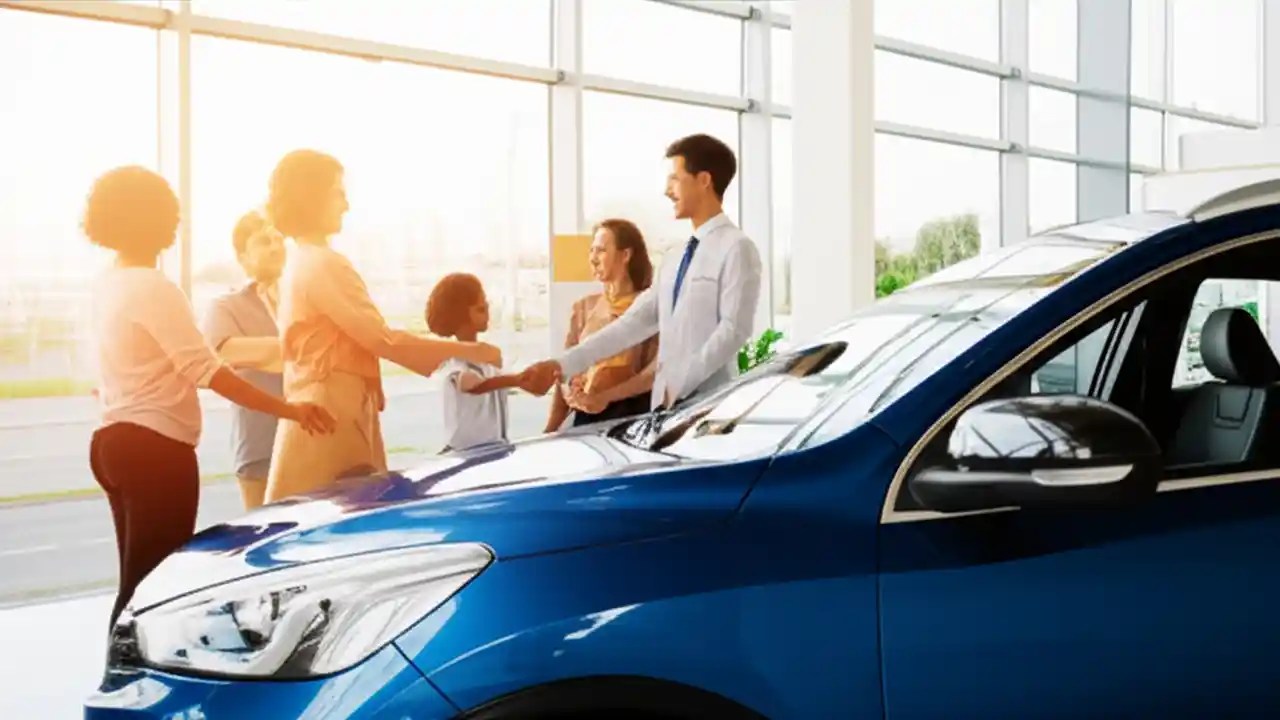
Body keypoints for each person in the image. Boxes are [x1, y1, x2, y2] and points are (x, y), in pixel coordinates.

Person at [84, 166, 335, 631]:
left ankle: (120, 673)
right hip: (154, 449)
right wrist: (291, 410)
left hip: (111, 444)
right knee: (156, 586)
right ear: (158, 219)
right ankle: (138, 680)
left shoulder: (107, 283)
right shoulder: (153, 287)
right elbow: (207, 371)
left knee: (135, 581)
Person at [265, 149, 501, 502]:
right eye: (337, 193)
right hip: (333, 412)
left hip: (328, 403)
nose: (345, 204)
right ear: (311, 198)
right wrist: (470, 350)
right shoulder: (322, 264)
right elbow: (381, 338)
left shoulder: (300, 261)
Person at [523, 133, 762, 409]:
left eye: (674, 178)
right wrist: (560, 365)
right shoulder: (675, 258)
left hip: (708, 406)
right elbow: (630, 326)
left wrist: (678, 385)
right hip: (665, 411)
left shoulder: (737, 248)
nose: (667, 190)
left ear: (704, 180)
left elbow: (734, 331)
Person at [201, 210, 286, 510]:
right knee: (266, 532)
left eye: (279, 239)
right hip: (259, 444)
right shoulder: (225, 306)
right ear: (242, 257)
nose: (276, 247)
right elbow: (227, 354)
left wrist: (265, 354)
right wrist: (300, 350)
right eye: (264, 241)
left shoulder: (304, 298)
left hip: (314, 442)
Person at [545, 219, 658, 431]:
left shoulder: (650, 308)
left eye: (601, 251)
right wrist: (569, 389)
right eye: (591, 251)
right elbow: (564, 371)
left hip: (633, 422)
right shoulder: (583, 308)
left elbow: (654, 374)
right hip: (583, 420)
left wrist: (605, 397)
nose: (593, 259)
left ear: (625, 255)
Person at [425, 273, 541, 452]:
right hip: (467, 451)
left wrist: (522, 381)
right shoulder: (455, 361)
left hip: (494, 446)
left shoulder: (486, 359)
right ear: (460, 316)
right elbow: (473, 385)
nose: (488, 312)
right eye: (480, 309)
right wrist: (514, 380)